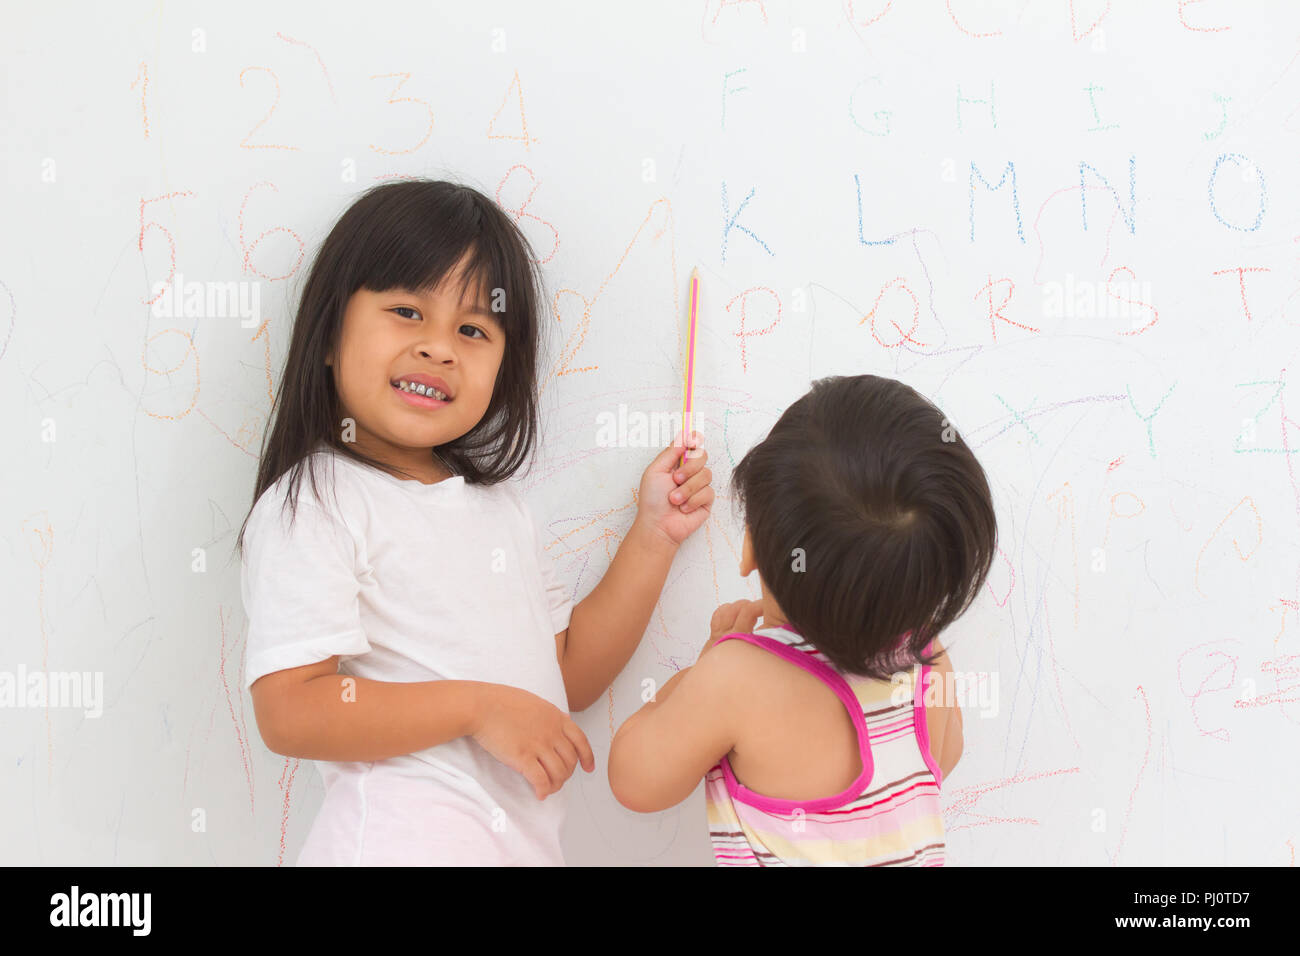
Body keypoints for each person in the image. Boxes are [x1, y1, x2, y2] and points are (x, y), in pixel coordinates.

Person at [235, 178, 714, 865]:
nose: (439, 348)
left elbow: (566, 676)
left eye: (472, 329)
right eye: (406, 310)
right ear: (330, 334)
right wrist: (476, 709)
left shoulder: (498, 510)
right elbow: (290, 709)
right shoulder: (318, 500)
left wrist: (654, 537)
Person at [608, 374, 997, 865]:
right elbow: (945, 755)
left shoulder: (735, 678)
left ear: (750, 547)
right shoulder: (927, 657)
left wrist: (704, 667)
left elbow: (634, 781)